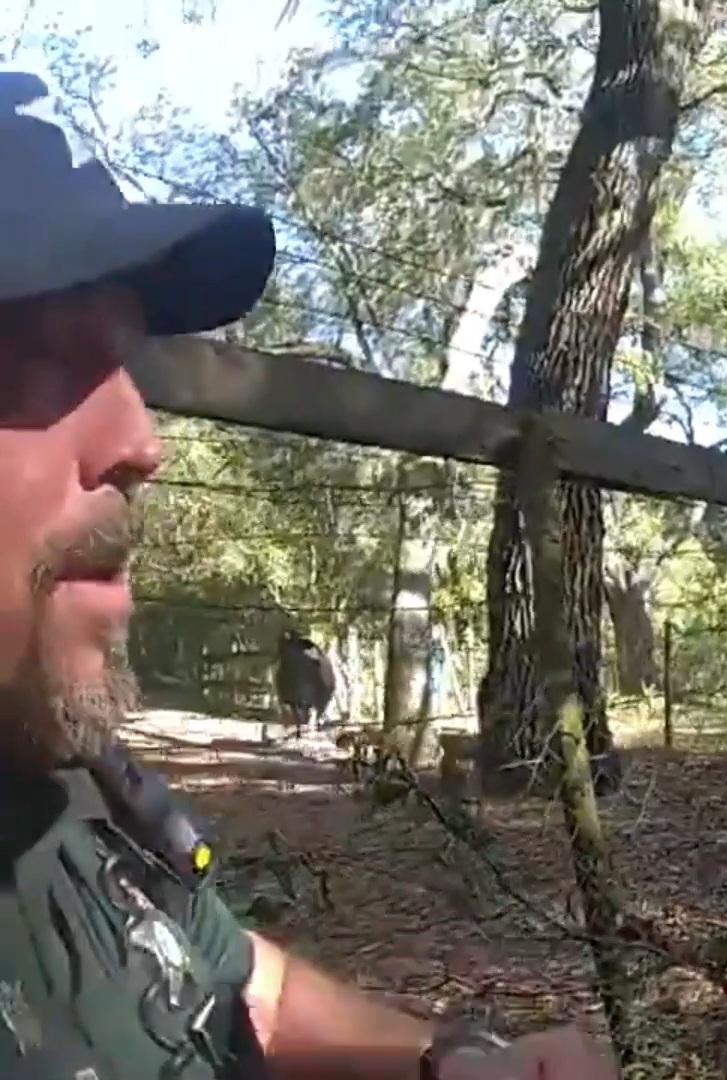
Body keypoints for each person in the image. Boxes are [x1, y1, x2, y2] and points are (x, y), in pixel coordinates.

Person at [0, 71, 619, 1080]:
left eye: (128, 372)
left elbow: (241, 985)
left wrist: (450, 1059)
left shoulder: (72, 781)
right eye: (40, 363)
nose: (143, 443)